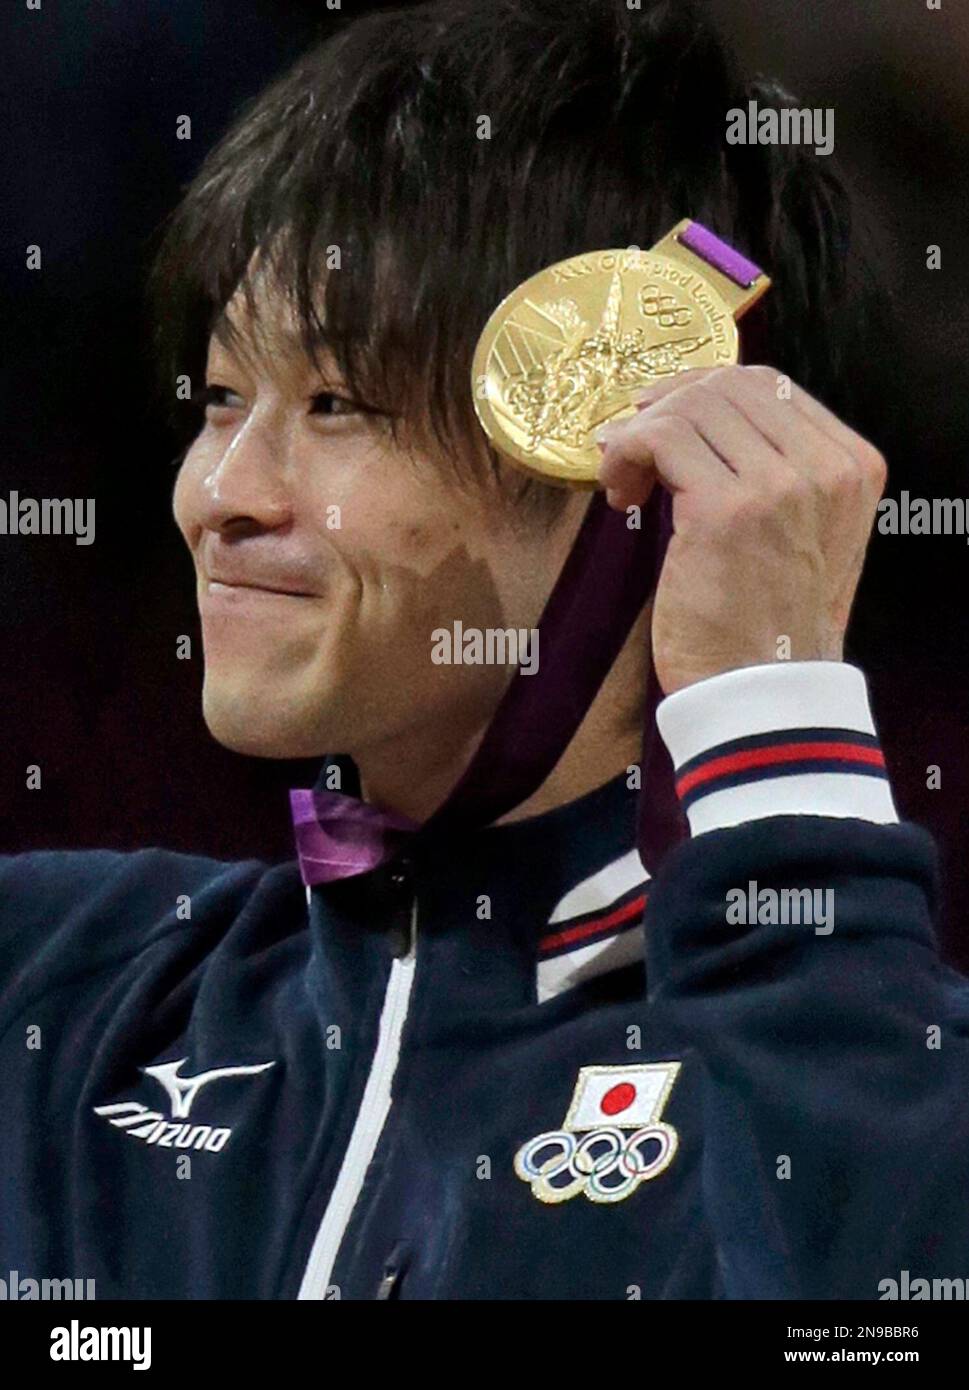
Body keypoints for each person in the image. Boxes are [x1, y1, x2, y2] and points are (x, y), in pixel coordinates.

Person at [1, 0, 965, 1301]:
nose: (216, 493)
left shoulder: (822, 1066)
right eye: (224, 398)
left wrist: (775, 721)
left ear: (631, 478)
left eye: (338, 404)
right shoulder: (67, 978)